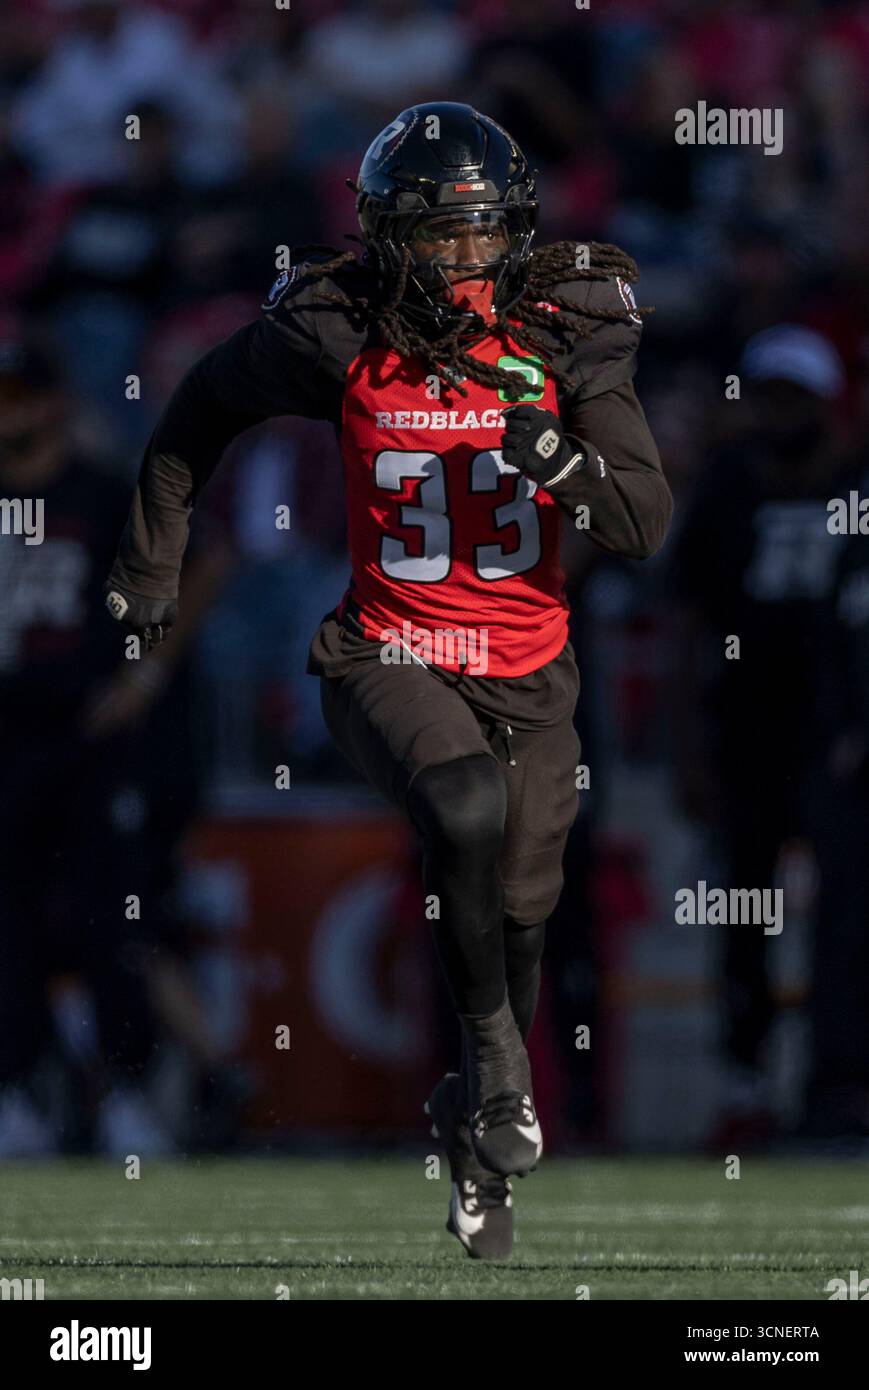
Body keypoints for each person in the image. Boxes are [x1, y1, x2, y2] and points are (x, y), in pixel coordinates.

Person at [104, 102, 670, 1258]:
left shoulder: (566, 328)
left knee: (520, 915)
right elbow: (198, 410)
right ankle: (501, 1072)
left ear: (512, 231)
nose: (456, 260)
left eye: (474, 234)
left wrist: (556, 458)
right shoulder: (334, 328)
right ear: (380, 235)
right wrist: (150, 563)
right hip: (385, 645)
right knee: (460, 803)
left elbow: (642, 521)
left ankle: (470, 1112)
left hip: (529, 667)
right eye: (431, 234)